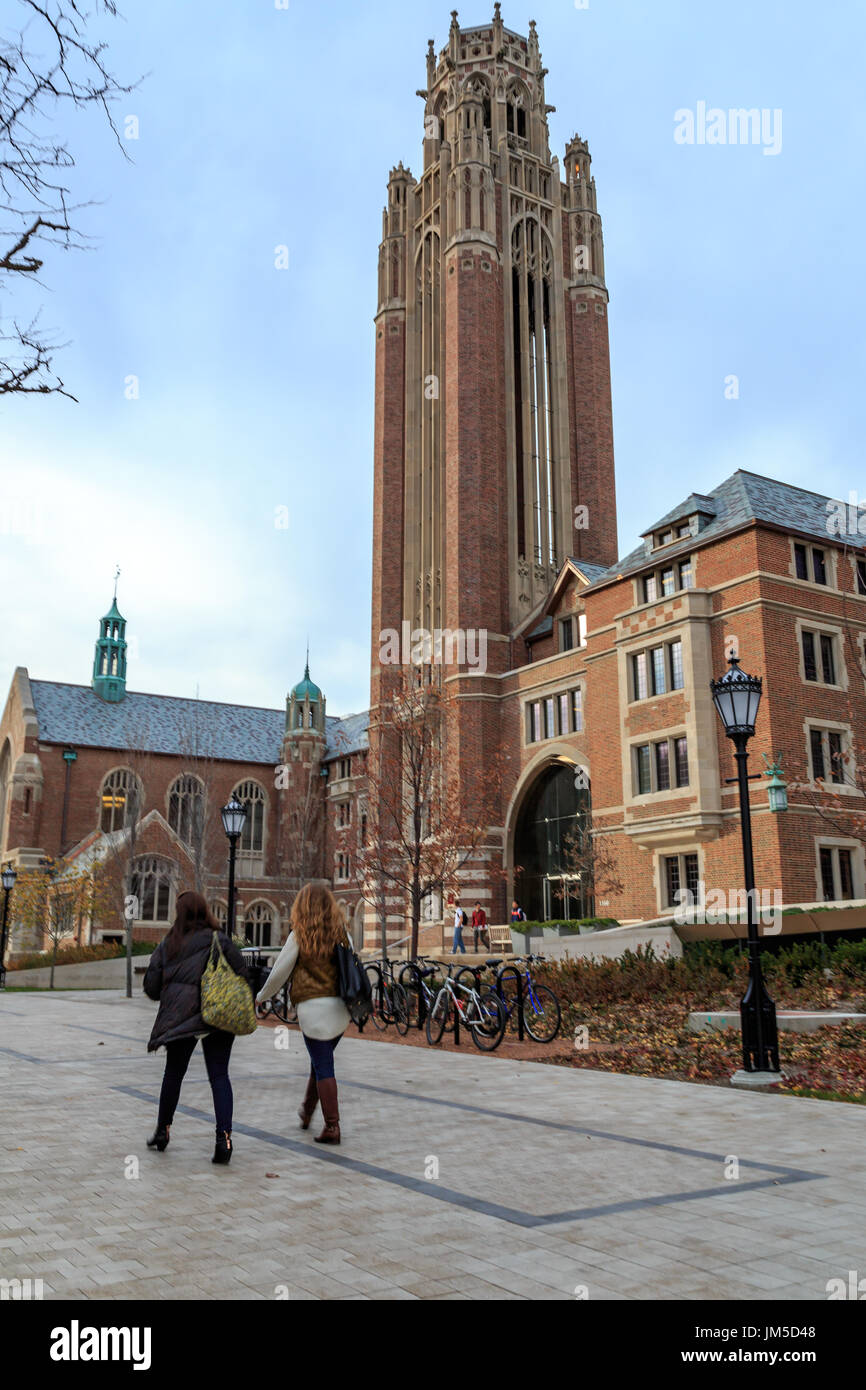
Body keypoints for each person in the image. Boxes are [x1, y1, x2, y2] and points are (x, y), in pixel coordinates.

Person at [143, 891, 250, 1165]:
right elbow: (243, 974)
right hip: (218, 1015)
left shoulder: (169, 943)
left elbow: (151, 987)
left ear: (179, 913)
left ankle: (163, 1131)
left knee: (173, 1074)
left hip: (181, 1018)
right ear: (205, 911)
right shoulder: (219, 940)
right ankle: (223, 1140)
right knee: (219, 1076)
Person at [256, 883, 350, 1144]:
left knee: (323, 1065)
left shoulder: (300, 935)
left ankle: (332, 1126)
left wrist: (260, 996)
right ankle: (307, 1111)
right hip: (340, 1010)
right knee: (319, 1061)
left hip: (313, 1010)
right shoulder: (342, 933)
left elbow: (279, 972)